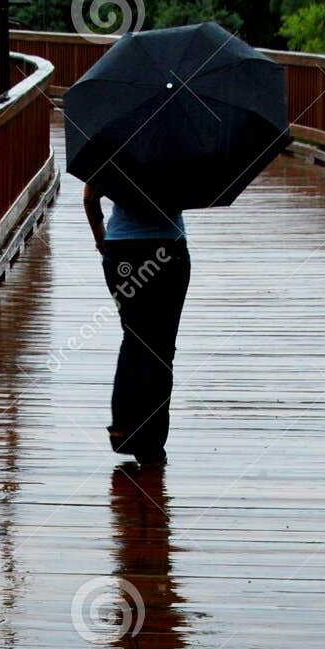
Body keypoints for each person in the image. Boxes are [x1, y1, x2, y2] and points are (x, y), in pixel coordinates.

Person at [83, 181, 191, 467]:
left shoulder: (115, 142)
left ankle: (124, 426)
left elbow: (90, 200)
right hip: (170, 250)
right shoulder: (183, 145)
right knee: (162, 348)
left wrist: (101, 239)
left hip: (122, 251)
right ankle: (153, 443)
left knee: (133, 336)